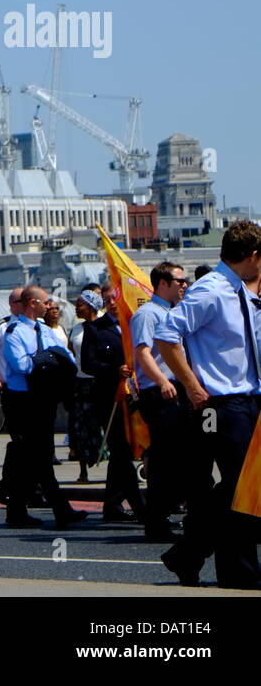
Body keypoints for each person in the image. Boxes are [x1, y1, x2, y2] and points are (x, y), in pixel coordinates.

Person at [155, 221, 261, 589]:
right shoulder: (211, 291)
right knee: (239, 488)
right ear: (253, 256)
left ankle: (190, 554)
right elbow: (167, 334)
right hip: (219, 404)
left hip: (247, 400)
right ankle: (237, 570)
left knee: (238, 488)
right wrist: (192, 386)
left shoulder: (241, 292)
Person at [0, 286, 88, 529]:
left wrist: (45, 359)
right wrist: (47, 359)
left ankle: (17, 510)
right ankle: (60, 509)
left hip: (44, 398)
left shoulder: (45, 330)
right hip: (24, 401)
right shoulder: (14, 331)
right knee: (35, 455)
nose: (49, 305)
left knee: (34, 456)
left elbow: (67, 358)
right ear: (32, 303)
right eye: (45, 302)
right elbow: (21, 365)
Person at [130, 262, 190, 541]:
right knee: (164, 459)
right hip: (160, 391)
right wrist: (164, 381)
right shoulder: (148, 314)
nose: (184, 285)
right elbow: (142, 354)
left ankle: (168, 512)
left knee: (179, 457)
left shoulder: (176, 313)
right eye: (179, 280)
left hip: (178, 390)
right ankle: (155, 521)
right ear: (162, 283)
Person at [81, 293, 145, 523]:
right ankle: (141, 507)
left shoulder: (134, 323)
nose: (112, 302)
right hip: (110, 398)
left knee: (125, 453)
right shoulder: (95, 329)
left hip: (136, 397)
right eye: (108, 299)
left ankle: (112, 504)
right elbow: (88, 364)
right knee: (120, 451)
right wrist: (113, 369)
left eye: (116, 297)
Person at [68, 291, 101, 484]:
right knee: (80, 425)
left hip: (98, 380)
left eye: (80, 304)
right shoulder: (76, 329)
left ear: (90, 306)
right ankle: (83, 470)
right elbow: (73, 351)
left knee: (100, 424)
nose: (76, 308)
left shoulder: (102, 327)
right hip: (81, 381)